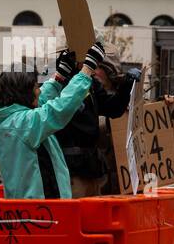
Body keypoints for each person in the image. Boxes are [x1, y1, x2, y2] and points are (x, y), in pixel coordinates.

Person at [0, 43, 106, 199]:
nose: (39, 90)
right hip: (42, 211)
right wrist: (86, 71)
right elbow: (57, 109)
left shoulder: (10, 120)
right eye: (35, 87)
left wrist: (59, 76)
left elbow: (43, 100)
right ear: (24, 93)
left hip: (33, 209)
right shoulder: (23, 125)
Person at [54, 45, 137, 198]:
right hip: (70, 171)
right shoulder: (59, 84)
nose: (91, 66)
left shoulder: (90, 83)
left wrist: (127, 84)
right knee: (76, 217)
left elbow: (113, 108)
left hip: (92, 168)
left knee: (94, 218)